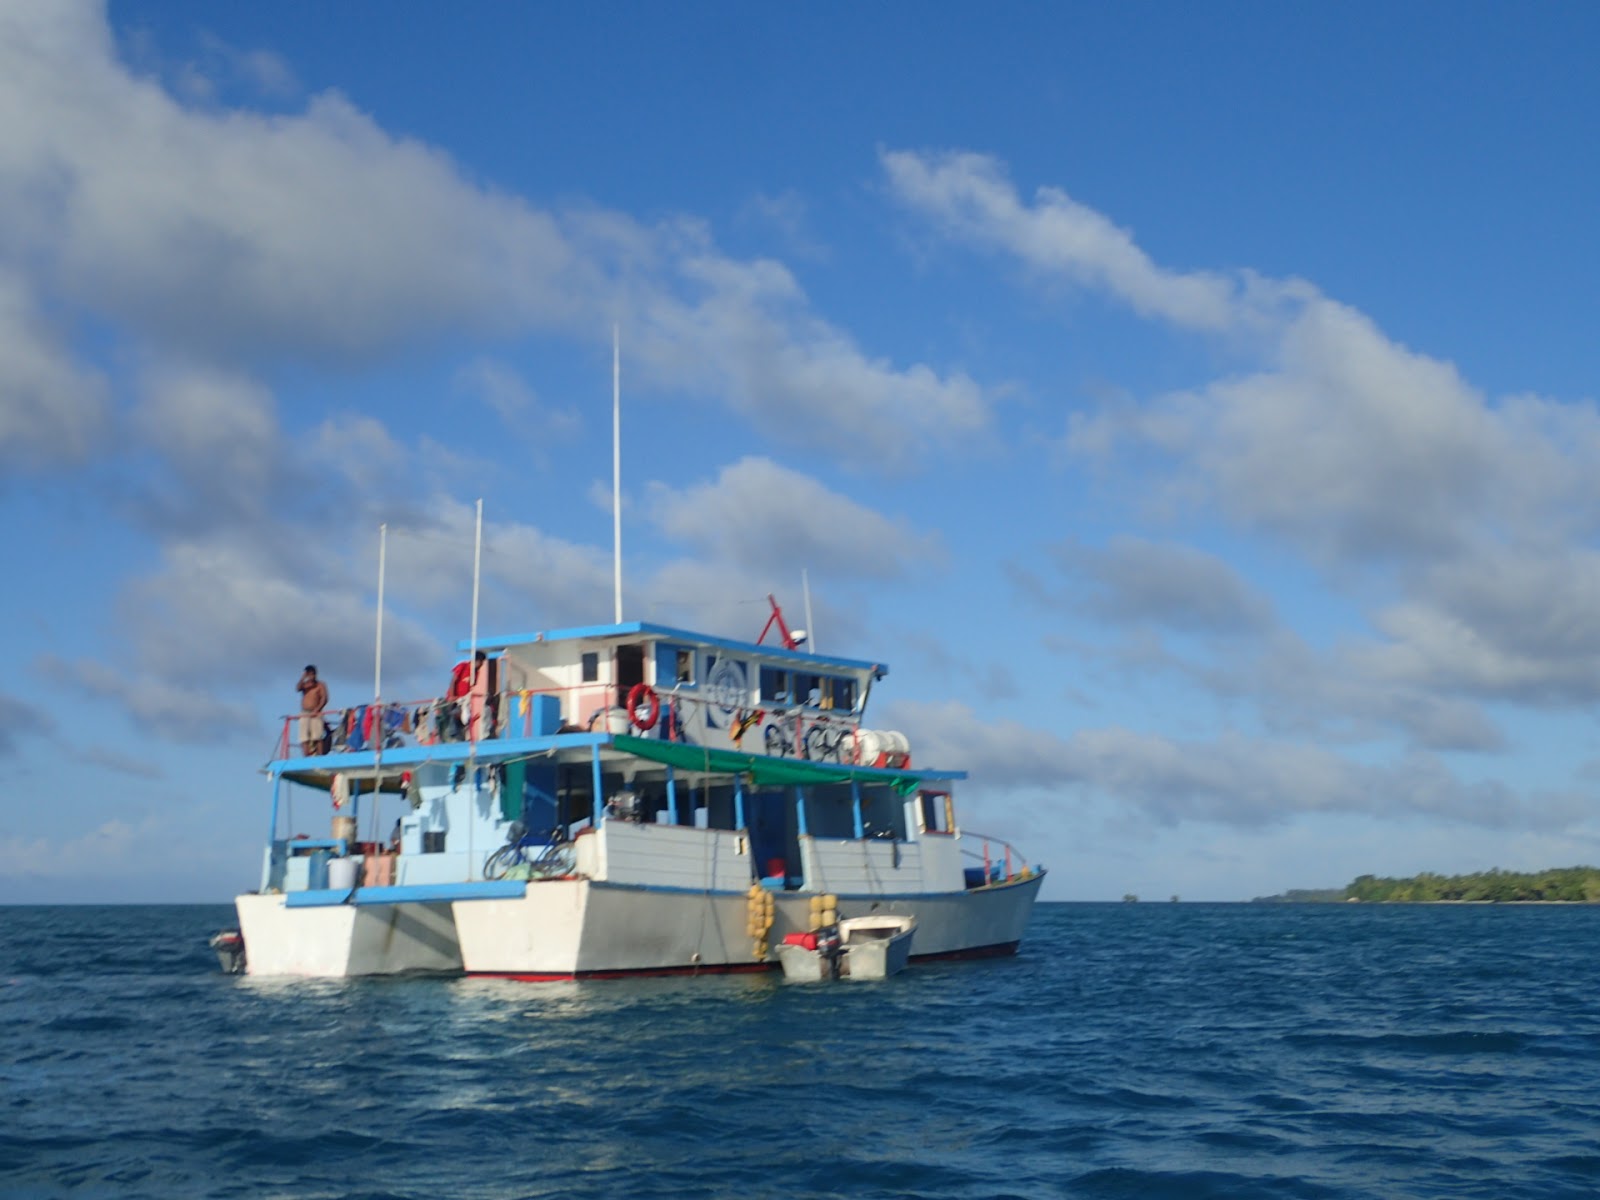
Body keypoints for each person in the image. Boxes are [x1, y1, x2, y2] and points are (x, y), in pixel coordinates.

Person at [297, 665, 329, 756]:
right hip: (304, 713)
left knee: (317, 735)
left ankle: (319, 755)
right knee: (304, 737)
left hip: (316, 712)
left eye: (312, 674)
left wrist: (317, 709)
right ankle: (306, 756)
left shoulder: (320, 685)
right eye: (309, 674)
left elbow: (324, 698)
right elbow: (298, 688)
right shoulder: (305, 685)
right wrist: (303, 677)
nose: (311, 676)